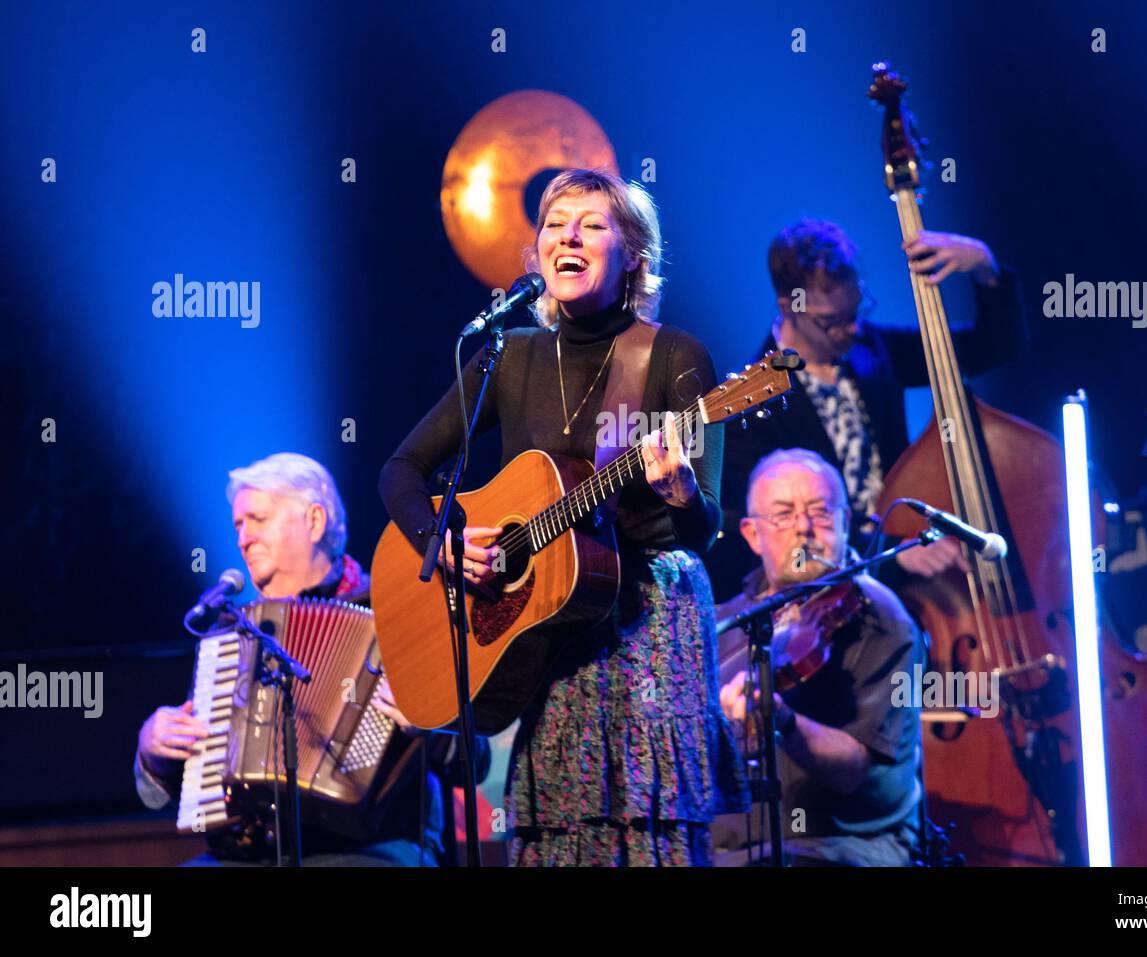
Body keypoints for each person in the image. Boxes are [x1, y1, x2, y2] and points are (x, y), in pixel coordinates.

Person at [379, 168, 748, 866]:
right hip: (548, 635)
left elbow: (704, 528)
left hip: (648, 626)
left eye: (592, 224)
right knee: (555, 838)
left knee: (649, 835)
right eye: (554, 223)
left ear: (633, 254)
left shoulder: (674, 356)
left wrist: (675, 491)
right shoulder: (507, 358)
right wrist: (445, 542)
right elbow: (399, 471)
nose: (568, 236)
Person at [135, 452, 485, 866]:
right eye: (238, 525)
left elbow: (477, 758)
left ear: (314, 521)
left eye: (257, 520)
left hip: (372, 847)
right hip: (252, 852)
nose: (242, 539)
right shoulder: (235, 636)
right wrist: (151, 754)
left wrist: (430, 723)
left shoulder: (394, 608)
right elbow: (168, 790)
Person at [707, 218, 1026, 598]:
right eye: (831, 321)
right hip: (826, 595)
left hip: (914, 583)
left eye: (857, 311)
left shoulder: (873, 349)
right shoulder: (751, 401)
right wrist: (890, 555)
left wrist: (984, 267)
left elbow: (992, 347)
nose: (852, 329)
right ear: (788, 306)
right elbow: (777, 536)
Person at [713, 448, 925, 866]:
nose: (804, 529)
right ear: (752, 534)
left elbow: (853, 773)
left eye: (821, 512)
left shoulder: (879, 616)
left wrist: (781, 719)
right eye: (783, 515)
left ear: (846, 522)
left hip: (843, 844)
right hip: (733, 849)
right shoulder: (725, 621)